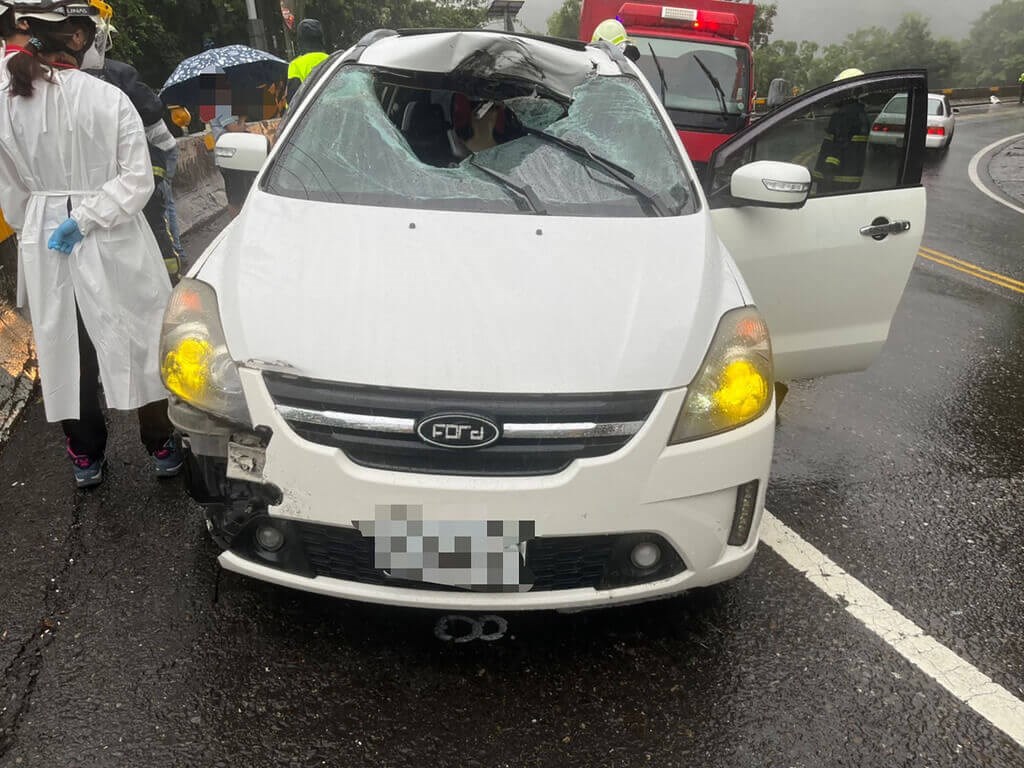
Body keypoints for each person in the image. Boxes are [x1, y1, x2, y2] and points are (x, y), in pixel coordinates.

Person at [0, 0, 182, 488]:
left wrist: (39, 223)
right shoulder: (107, 99)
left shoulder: (6, 99)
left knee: (67, 346)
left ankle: (85, 456)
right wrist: (87, 217)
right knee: (139, 335)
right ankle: (162, 444)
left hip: (46, 239)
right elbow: (138, 180)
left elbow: (11, 190)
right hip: (114, 234)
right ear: (78, 39)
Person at [68, 2, 183, 280]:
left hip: (99, 183)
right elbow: (156, 124)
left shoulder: (65, 84)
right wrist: (166, 163)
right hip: (137, 166)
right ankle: (170, 276)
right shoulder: (117, 75)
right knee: (157, 218)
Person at [812, 68, 870, 195]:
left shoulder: (844, 115)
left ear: (849, 92)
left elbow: (838, 145)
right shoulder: (861, 114)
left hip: (834, 180)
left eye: (840, 90)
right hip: (850, 178)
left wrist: (828, 171)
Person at [287, 18, 328, 102]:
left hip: (310, 114)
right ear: (321, 39)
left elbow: (292, 100)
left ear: (300, 41)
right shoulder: (332, 60)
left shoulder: (296, 65)